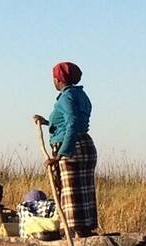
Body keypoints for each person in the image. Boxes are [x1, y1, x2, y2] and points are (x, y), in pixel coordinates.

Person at [33, 61, 98, 237]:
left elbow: (73, 123)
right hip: (84, 145)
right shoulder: (80, 94)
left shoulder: (67, 97)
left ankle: (77, 236)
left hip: (72, 150)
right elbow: (70, 121)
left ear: (59, 79)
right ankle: (82, 234)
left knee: (71, 196)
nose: (53, 81)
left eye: (54, 78)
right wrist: (46, 122)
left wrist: (60, 155)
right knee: (83, 195)